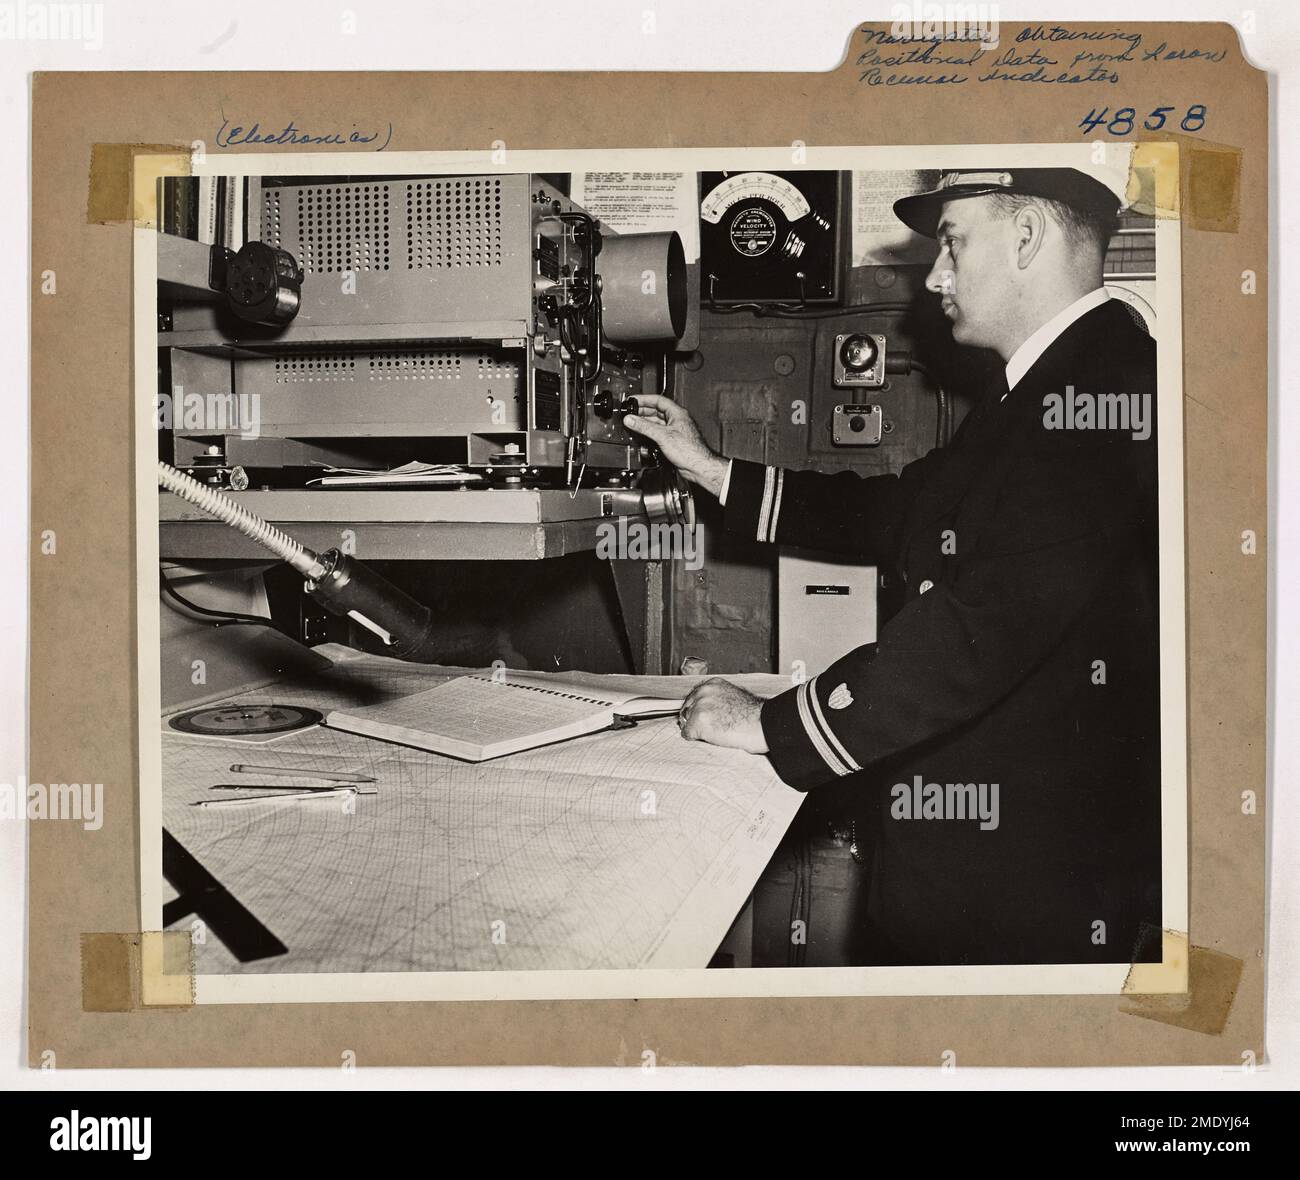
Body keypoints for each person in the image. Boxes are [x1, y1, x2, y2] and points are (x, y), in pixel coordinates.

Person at [623, 166, 1162, 966]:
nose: (936, 276)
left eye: (952, 242)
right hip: (988, 883)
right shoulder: (1047, 388)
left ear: (1026, 237)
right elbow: (900, 511)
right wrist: (711, 470)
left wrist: (769, 725)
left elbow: (975, 629)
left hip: (1022, 905)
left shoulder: (1101, 391)